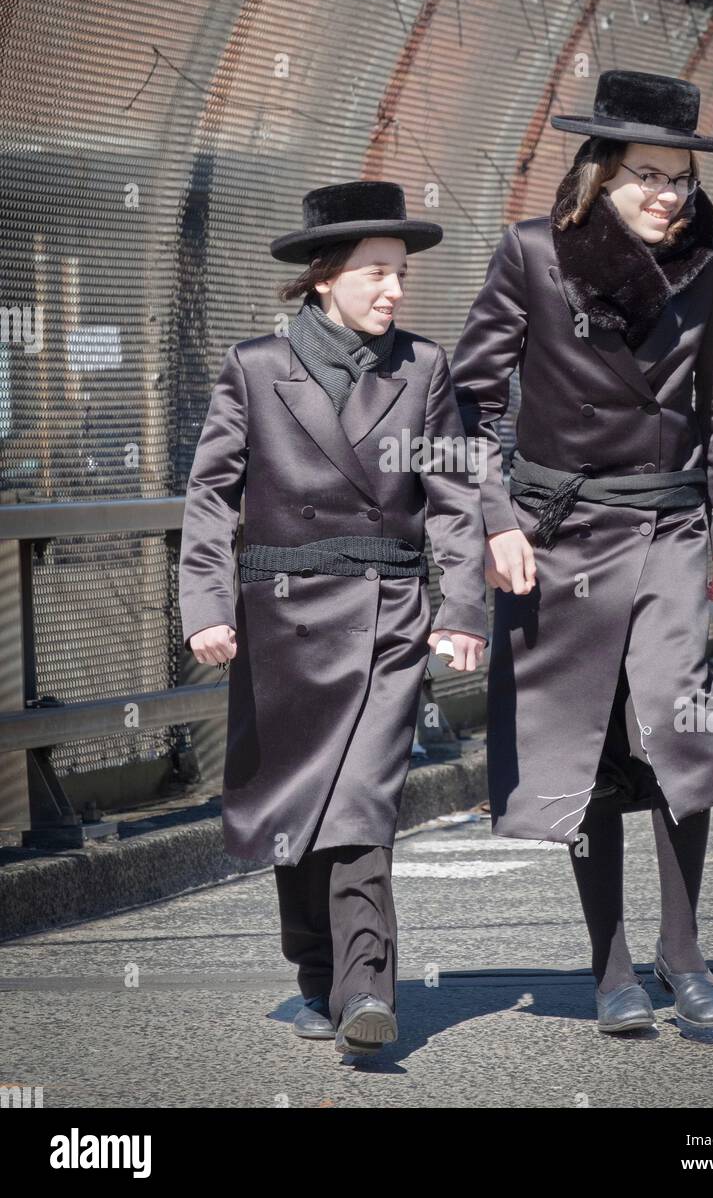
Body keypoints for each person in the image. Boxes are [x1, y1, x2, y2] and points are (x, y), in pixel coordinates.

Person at [449, 70, 713, 1034]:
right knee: (579, 738)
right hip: (560, 533)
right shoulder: (533, 253)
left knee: (682, 728)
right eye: (647, 176)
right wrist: (496, 519)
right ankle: (611, 966)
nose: (668, 195)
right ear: (600, 174)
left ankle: (684, 951)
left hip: (670, 524)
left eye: (681, 178)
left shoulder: (709, 255)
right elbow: (468, 403)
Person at [178, 181, 488, 1056]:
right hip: (280, 620)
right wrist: (205, 605)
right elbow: (210, 497)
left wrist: (463, 607)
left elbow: (454, 496)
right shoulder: (254, 367)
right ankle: (315, 969)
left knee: (359, 803)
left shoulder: (423, 367)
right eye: (376, 272)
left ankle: (365, 992)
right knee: (296, 803)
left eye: (401, 274)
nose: (394, 290)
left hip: (388, 615)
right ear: (324, 277)